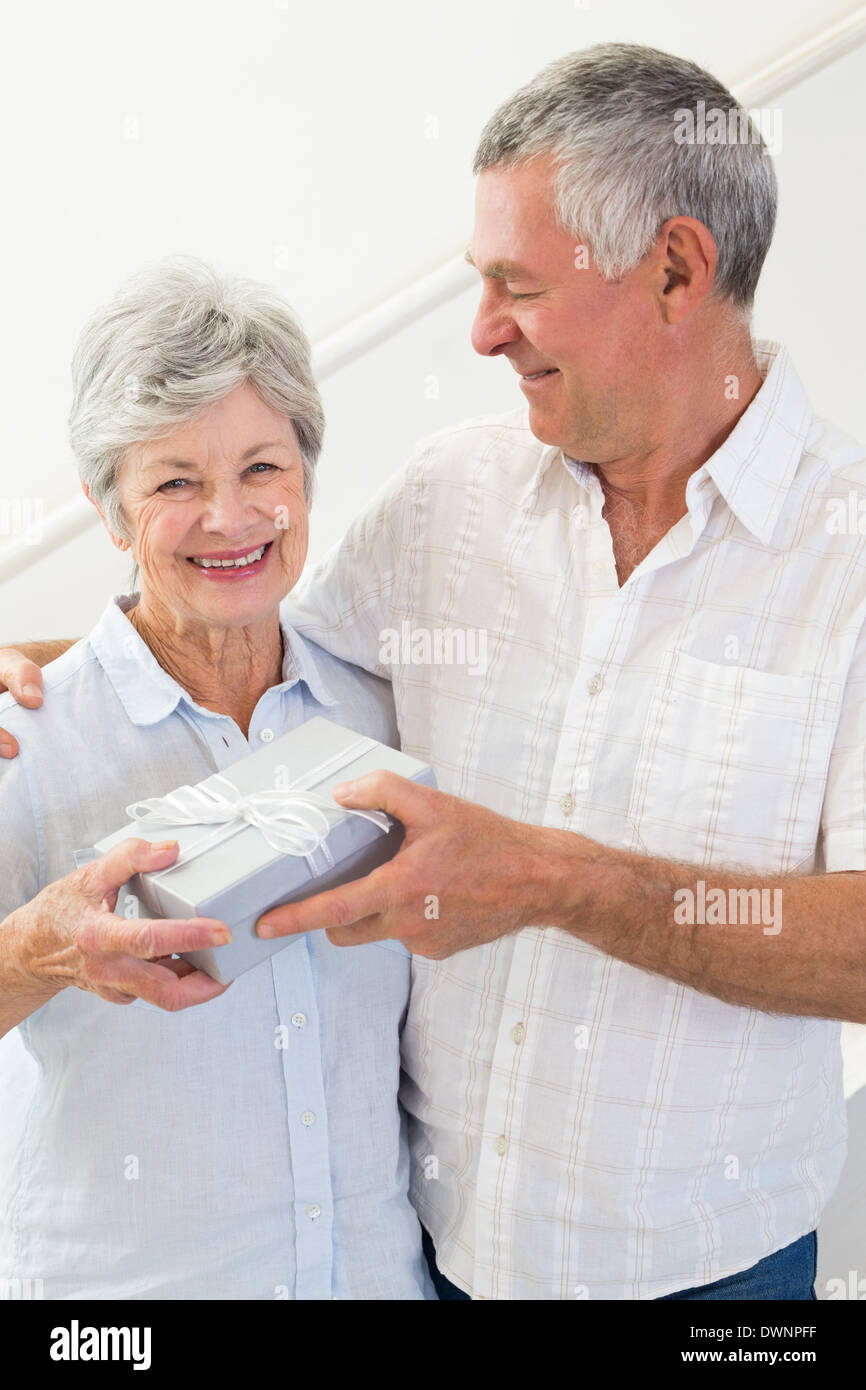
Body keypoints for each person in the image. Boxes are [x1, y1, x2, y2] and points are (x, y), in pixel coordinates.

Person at [4, 42, 865, 1301]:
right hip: (442, 1268)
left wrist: (550, 881)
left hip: (712, 1282)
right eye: (474, 284)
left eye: (516, 285)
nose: (479, 330)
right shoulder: (448, 502)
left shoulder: (842, 561)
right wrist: (48, 662)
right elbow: (223, 626)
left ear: (675, 268)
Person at [0, 257, 434, 1299]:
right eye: (174, 483)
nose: (228, 518)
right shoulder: (27, 739)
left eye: (260, 469)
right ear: (112, 513)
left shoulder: (382, 704)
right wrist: (39, 946)